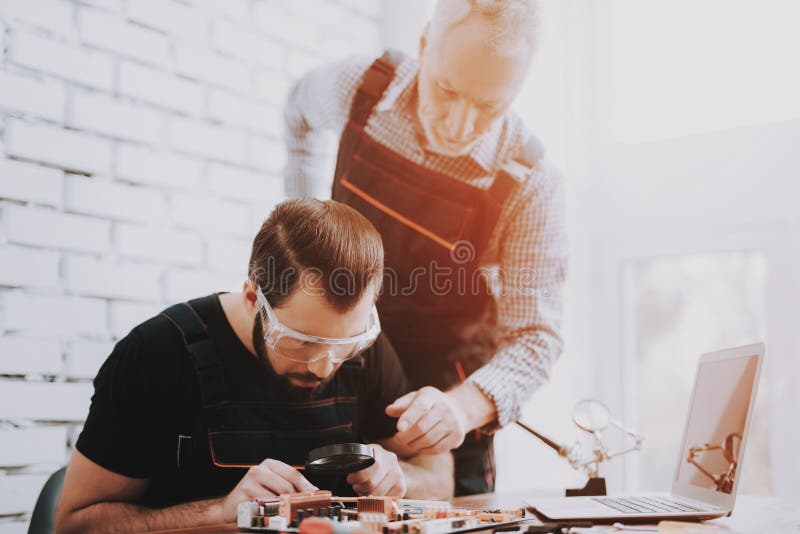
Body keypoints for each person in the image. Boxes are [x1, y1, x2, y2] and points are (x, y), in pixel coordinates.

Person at [284, 0, 567, 495]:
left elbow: (535, 340)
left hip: (441, 420)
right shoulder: (362, 89)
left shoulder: (529, 181)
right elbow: (299, 109)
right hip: (337, 380)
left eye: (488, 106)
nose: (458, 126)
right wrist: (306, 222)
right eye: (447, 89)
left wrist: (459, 408)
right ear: (424, 44)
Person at [55, 199, 452, 533]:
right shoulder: (157, 354)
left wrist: (401, 481)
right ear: (252, 297)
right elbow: (75, 524)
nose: (324, 367)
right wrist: (220, 511)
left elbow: (441, 478)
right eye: (303, 343)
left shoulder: (367, 353)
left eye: (345, 344)